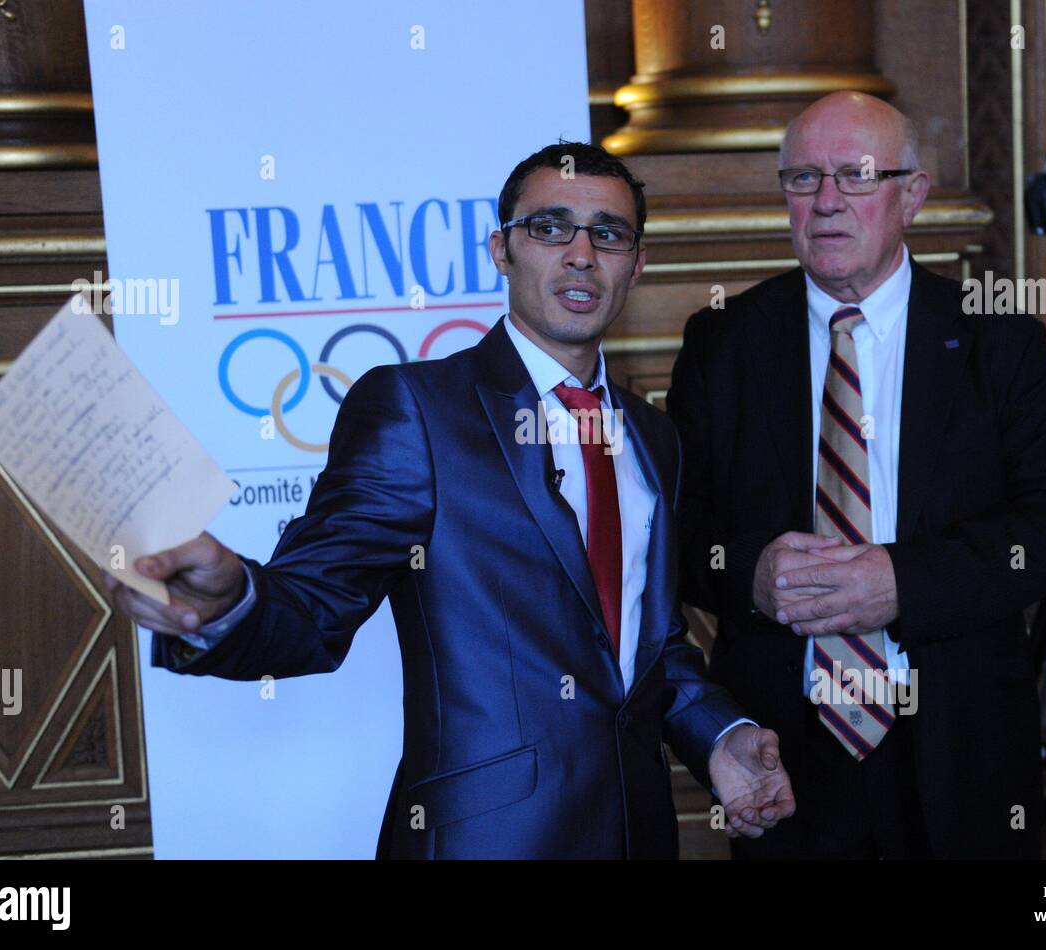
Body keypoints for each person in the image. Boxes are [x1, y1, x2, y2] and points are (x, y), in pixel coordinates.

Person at [105, 142, 794, 859]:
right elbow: (315, 607)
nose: (582, 254)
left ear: (637, 264)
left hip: (638, 836)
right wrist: (230, 599)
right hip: (482, 841)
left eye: (609, 234)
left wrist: (721, 735)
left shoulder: (654, 437)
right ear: (502, 250)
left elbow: (644, 642)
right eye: (550, 227)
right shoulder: (418, 410)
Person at [666, 93, 1046, 859]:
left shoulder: (995, 338)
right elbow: (673, 531)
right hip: (780, 746)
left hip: (957, 735)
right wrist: (750, 576)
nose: (827, 201)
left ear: (914, 195)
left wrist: (904, 581)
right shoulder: (722, 342)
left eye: (856, 176)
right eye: (803, 178)